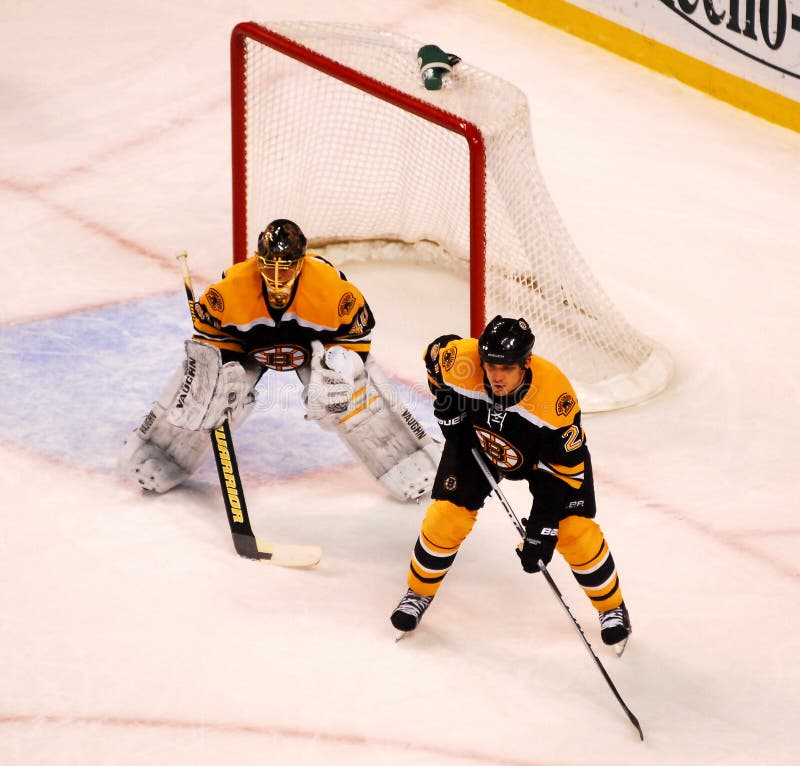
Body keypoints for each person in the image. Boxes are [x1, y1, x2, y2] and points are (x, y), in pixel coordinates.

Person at [119, 219, 439, 501]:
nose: (275, 276)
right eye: (268, 266)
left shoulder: (330, 290)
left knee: (345, 392)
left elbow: (355, 337)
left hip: (313, 347)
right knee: (205, 395)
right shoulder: (231, 290)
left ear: (301, 264)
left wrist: (343, 366)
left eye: (284, 267)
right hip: (246, 347)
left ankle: (410, 458)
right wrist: (210, 372)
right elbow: (209, 337)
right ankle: (158, 450)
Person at [390, 315, 632, 649]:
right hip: (479, 442)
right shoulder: (461, 361)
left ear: (526, 363)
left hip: (542, 462)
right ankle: (418, 593)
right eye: (490, 366)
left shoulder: (554, 399)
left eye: (506, 368)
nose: (496, 376)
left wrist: (542, 529)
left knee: (573, 531)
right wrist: (448, 409)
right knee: (446, 517)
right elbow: (434, 360)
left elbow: (559, 474)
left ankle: (612, 608)